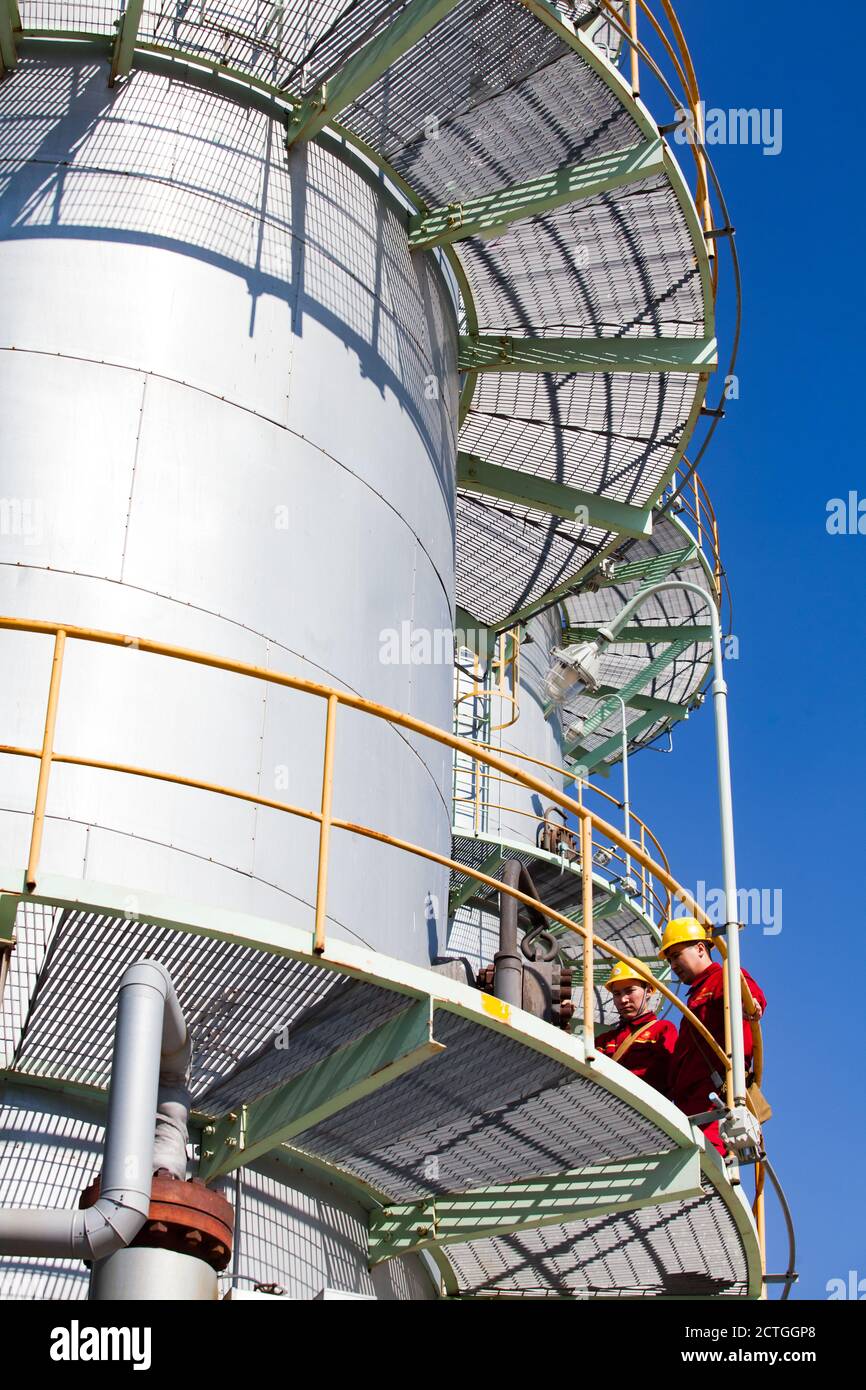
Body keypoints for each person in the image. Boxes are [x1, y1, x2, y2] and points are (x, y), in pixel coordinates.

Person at [660, 917, 766, 1156]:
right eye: (669, 959)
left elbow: (749, 996)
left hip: (711, 1098)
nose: (673, 965)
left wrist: (753, 1004)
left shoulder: (723, 975)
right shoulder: (695, 994)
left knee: (705, 1159)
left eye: (676, 955)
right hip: (690, 1100)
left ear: (700, 948)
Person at [595, 958, 676, 1095]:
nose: (623, 1000)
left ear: (649, 990)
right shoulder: (603, 1041)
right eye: (617, 994)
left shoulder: (662, 1030)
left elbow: (672, 1079)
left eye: (629, 991)